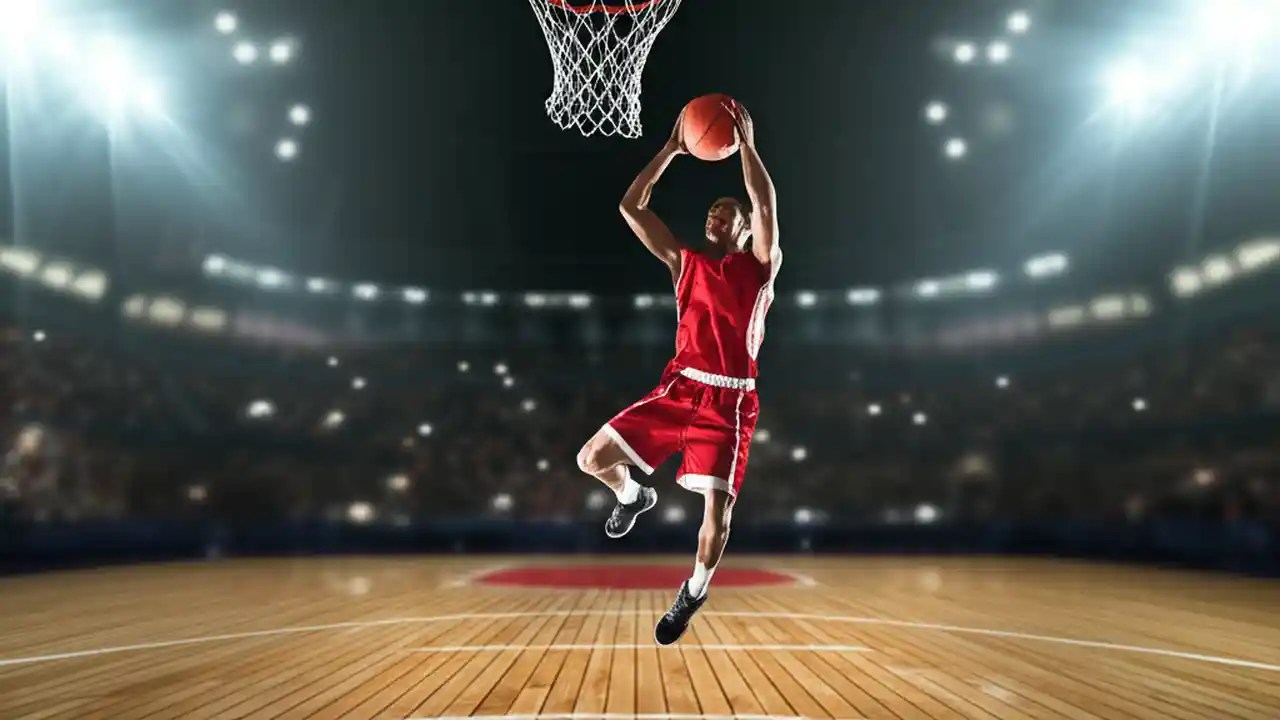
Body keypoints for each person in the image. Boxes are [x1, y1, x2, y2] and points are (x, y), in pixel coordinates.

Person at [575, 101, 780, 645]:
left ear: (743, 228)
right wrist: (670, 149)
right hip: (681, 386)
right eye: (712, 209)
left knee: (717, 514)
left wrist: (748, 146)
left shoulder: (760, 267)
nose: (715, 216)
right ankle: (631, 496)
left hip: (731, 402)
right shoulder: (684, 263)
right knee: (590, 458)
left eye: (726, 212)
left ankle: (693, 590)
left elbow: (764, 201)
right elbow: (631, 206)